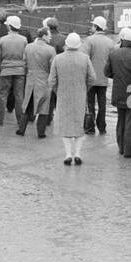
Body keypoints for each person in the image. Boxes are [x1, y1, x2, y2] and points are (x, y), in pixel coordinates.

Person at [49, 32, 97, 165]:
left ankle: (68, 154)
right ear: (78, 45)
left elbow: (51, 80)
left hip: (63, 95)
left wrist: (58, 90)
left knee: (66, 125)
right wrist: (84, 88)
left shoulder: (58, 58)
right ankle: (78, 153)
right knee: (79, 124)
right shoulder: (85, 58)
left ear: (66, 44)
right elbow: (92, 78)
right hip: (80, 95)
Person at [107, 27, 131, 158]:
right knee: (130, 121)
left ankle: (121, 147)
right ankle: (129, 150)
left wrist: (118, 78)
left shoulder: (114, 54)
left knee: (121, 119)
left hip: (118, 90)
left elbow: (107, 72)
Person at [18, 26, 55, 138]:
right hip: (44, 81)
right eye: (49, 35)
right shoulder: (51, 50)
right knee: (44, 107)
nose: (50, 37)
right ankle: (41, 132)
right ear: (44, 36)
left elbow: (24, 63)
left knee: (27, 105)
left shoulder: (28, 47)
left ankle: (21, 129)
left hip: (30, 79)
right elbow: (53, 68)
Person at [81, 16, 115, 135]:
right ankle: (102, 127)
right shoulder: (110, 42)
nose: (91, 27)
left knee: (90, 103)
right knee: (102, 104)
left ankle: (90, 127)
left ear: (96, 27)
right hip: (104, 78)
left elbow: (84, 58)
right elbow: (112, 61)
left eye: (93, 25)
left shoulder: (89, 40)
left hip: (90, 78)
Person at [0, 16, 28, 130]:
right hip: (20, 70)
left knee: (3, 94)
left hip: (6, 70)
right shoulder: (23, 40)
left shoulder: (3, 39)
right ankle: (20, 119)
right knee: (19, 96)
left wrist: (2, 66)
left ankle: (0, 119)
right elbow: (26, 56)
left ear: (9, 26)